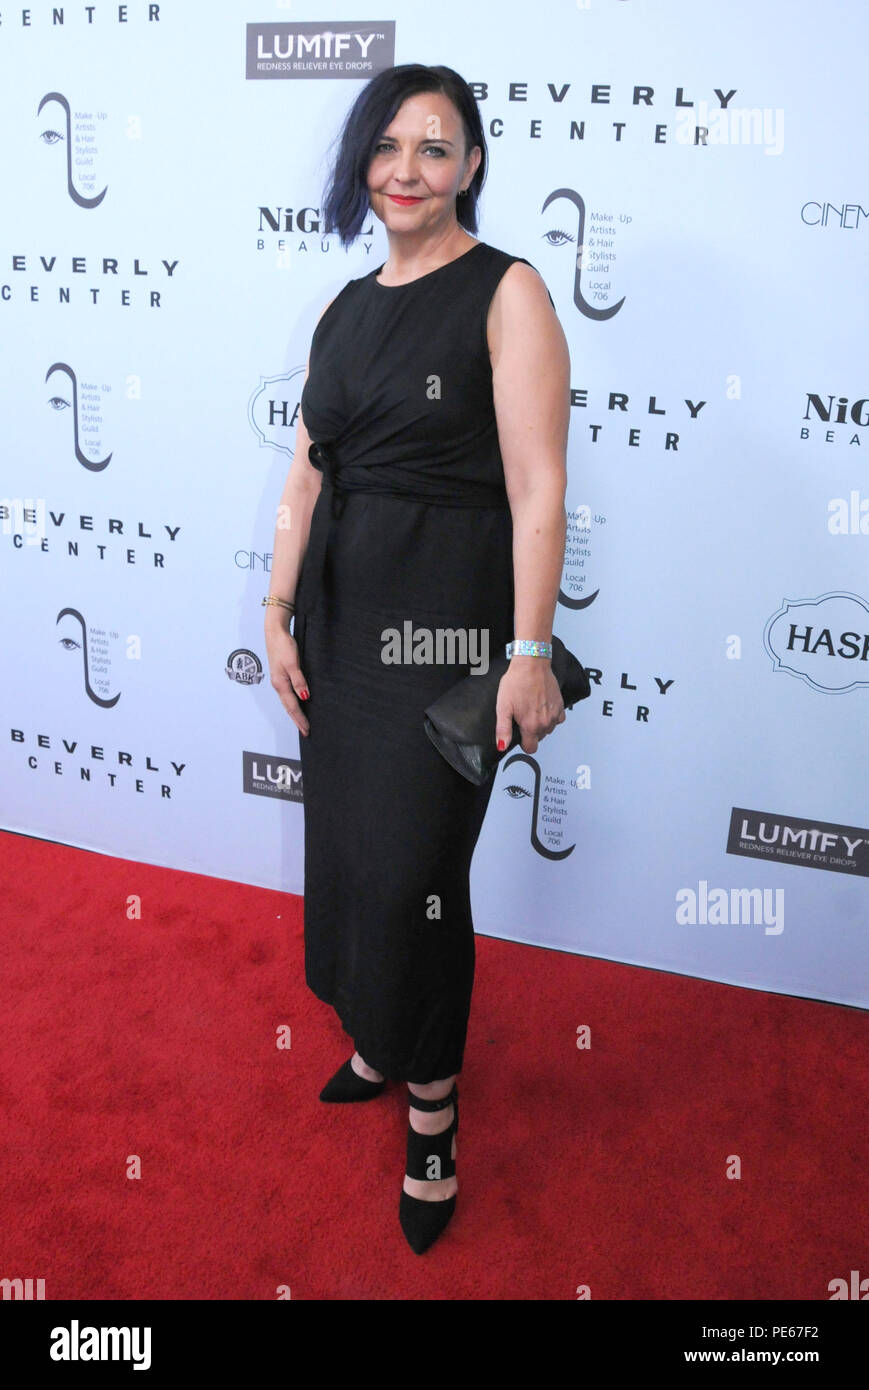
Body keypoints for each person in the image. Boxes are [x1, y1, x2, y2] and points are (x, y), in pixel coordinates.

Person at [264, 63, 570, 1255]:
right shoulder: (343, 309)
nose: (406, 169)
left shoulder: (508, 293)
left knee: (414, 878)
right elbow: (307, 472)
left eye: (434, 148)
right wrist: (280, 604)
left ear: (472, 166)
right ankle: (380, 1038)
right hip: (341, 620)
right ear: (363, 163)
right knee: (348, 858)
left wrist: (528, 649)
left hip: (446, 633)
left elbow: (540, 490)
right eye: (387, 147)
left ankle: (432, 1114)